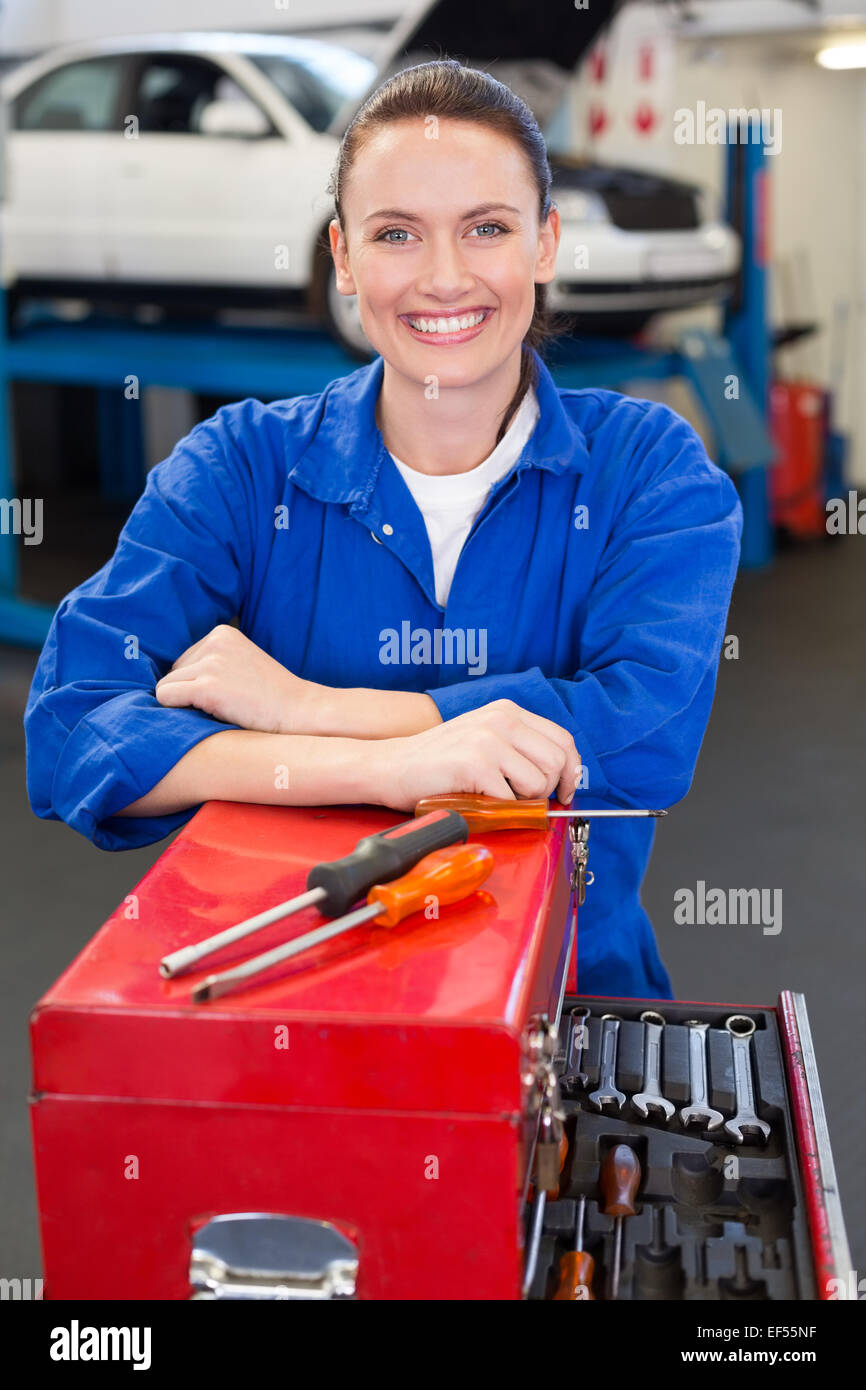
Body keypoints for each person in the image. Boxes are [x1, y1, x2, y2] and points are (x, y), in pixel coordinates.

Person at [24, 60, 742, 1000]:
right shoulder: (240, 469)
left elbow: (638, 737)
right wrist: (400, 763)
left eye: (487, 228)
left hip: (572, 1001)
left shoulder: (649, 471)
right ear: (345, 260)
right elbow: (74, 724)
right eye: (397, 234)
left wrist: (306, 709)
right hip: (282, 994)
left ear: (546, 244)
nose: (445, 278)